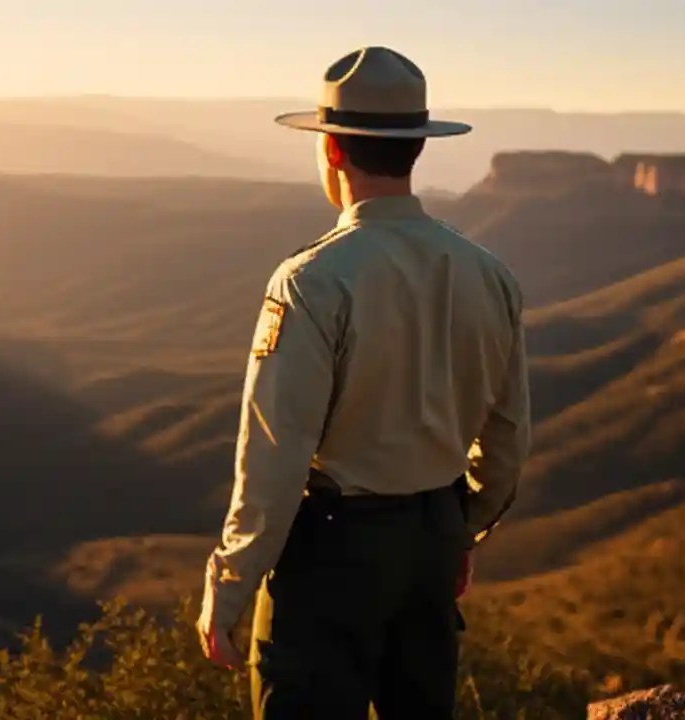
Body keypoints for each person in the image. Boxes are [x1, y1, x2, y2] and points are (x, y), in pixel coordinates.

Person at [196, 46, 531, 719]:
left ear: (334, 153)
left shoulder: (312, 281)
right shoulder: (488, 273)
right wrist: (460, 530)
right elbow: (508, 438)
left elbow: (273, 456)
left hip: (332, 552)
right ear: (417, 149)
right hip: (432, 540)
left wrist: (228, 587)